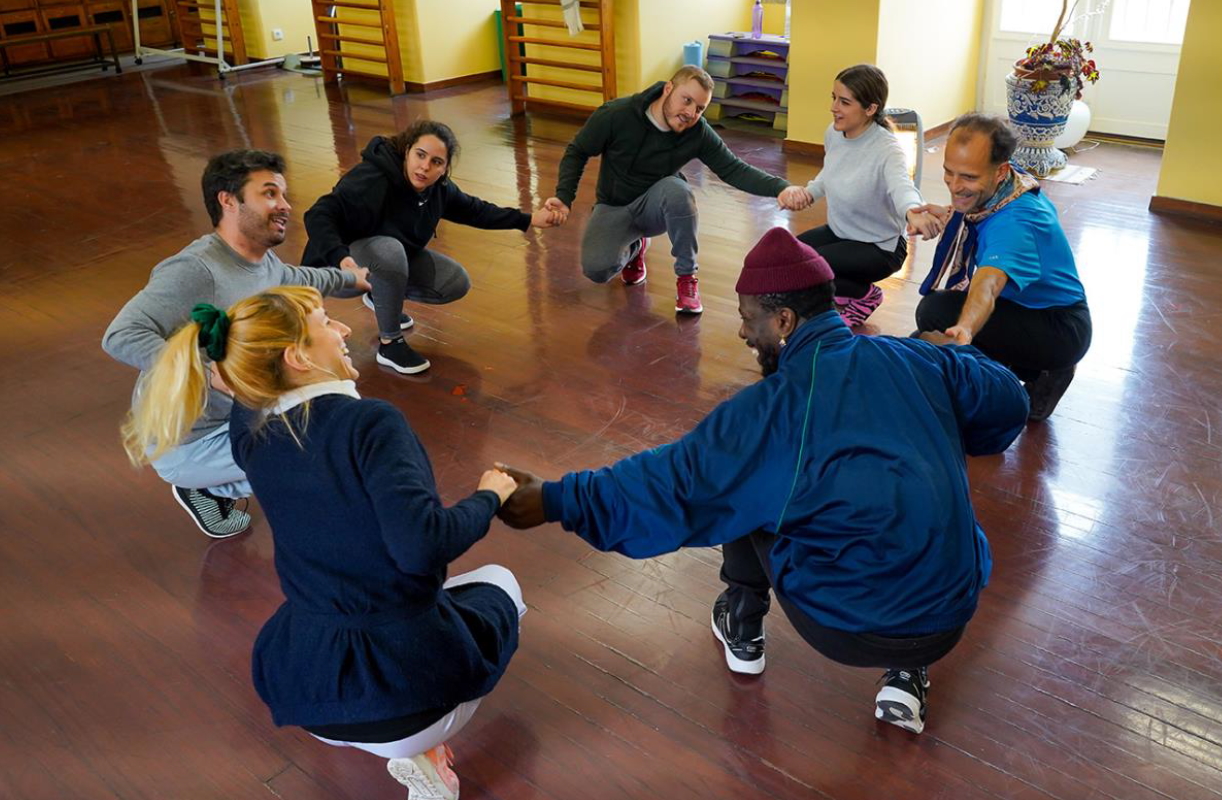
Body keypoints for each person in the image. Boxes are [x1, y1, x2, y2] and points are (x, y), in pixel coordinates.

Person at [495, 228, 1029, 734]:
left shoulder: (768, 413)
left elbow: (670, 483)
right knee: (908, 487)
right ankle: (908, 674)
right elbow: (1010, 401)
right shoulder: (918, 359)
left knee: (743, 494)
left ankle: (744, 625)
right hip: (952, 615)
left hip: (851, 627)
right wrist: (958, 354)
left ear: (786, 322)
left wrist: (555, 499)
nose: (743, 331)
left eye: (749, 319)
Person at [121, 285, 523, 800]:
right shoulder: (371, 424)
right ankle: (425, 747)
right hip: (408, 703)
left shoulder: (250, 436)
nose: (344, 329)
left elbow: (245, 387)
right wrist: (488, 497)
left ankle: (406, 744)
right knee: (500, 584)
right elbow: (423, 546)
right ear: (297, 357)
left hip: (310, 694)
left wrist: (241, 349)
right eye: (326, 324)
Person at [103, 150, 370, 539]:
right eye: (269, 194)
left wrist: (352, 280)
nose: (284, 205)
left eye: (282, 194)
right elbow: (120, 336)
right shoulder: (195, 269)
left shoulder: (264, 262)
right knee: (319, 450)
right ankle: (204, 486)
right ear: (228, 201)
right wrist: (210, 369)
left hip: (236, 413)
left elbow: (299, 277)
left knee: (326, 402)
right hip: (188, 439)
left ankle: (228, 477)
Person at [544, 65, 812, 315]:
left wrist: (781, 188)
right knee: (596, 270)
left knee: (677, 190)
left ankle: (686, 278)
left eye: (699, 108)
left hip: (658, 206)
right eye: (687, 100)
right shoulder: (617, 115)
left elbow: (733, 169)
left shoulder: (697, 132)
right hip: (615, 205)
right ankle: (635, 249)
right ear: (668, 89)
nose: (691, 113)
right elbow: (577, 151)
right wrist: (564, 196)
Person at [302, 120, 560, 375]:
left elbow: (475, 210)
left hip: (376, 265)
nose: (425, 167)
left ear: (445, 168)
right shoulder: (372, 177)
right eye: (420, 155)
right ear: (407, 150)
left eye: (436, 162)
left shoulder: (437, 189)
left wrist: (528, 219)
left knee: (454, 281)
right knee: (389, 250)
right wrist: (340, 257)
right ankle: (390, 343)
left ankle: (381, 297)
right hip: (337, 268)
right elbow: (318, 214)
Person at [914, 113, 1091, 422]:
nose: (955, 186)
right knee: (929, 325)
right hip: (1029, 308)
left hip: (1059, 329)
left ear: (1000, 172)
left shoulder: (1016, 222)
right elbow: (979, 214)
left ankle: (1040, 371)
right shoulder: (1009, 184)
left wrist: (966, 328)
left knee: (938, 315)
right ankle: (1017, 366)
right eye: (948, 172)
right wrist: (948, 214)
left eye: (968, 177)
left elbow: (987, 284)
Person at [793, 64, 945, 326]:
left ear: (870, 109)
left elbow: (902, 188)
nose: (834, 107)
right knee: (790, 257)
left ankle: (864, 295)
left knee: (811, 267)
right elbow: (828, 174)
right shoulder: (834, 133)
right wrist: (807, 193)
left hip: (881, 246)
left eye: (844, 102)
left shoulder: (888, 150)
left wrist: (913, 212)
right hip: (843, 232)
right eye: (833, 98)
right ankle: (841, 295)